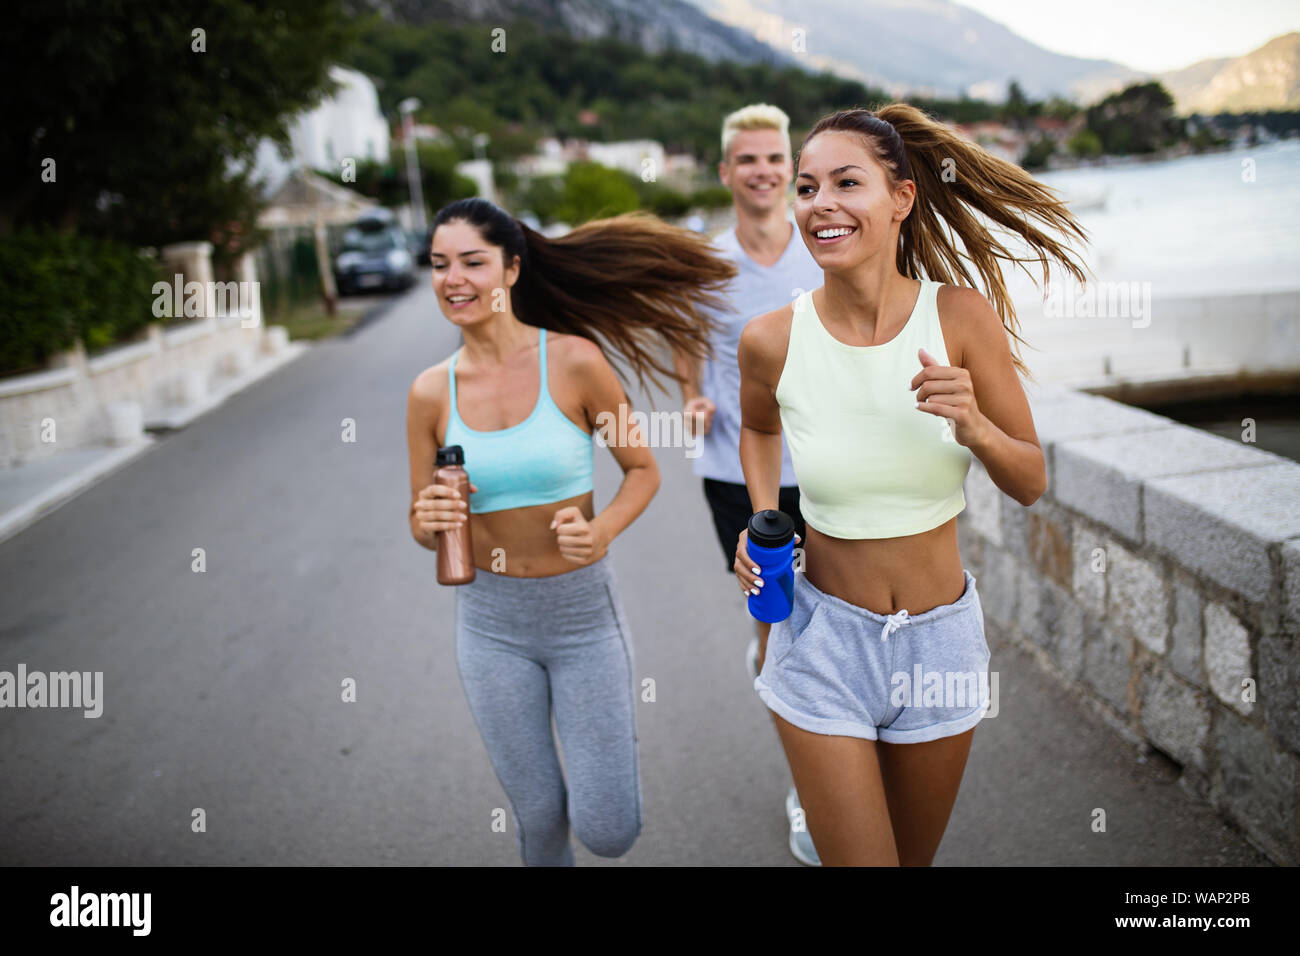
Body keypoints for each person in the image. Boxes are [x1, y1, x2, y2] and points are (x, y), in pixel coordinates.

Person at [735, 105, 1088, 866]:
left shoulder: (959, 317)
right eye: (806, 187)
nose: (819, 202)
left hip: (941, 644)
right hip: (821, 640)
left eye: (845, 182)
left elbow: (1030, 480)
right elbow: (759, 428)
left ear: (900, 199)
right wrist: (764, 520)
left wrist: (977, 427)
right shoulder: (770, 340)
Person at [407, 198, 735, 866]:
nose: (453, 278)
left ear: (512, 268)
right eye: (440, 265)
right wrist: (426, 519)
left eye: (472, 261)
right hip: (490, 623)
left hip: (583, 618)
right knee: (537, 816)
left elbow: (642, 470)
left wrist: (603, 529)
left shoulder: (576, 363)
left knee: (609, 829)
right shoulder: (429, 393)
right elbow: (421, 518)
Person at [671, 103, 826, 865]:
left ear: (789, 167)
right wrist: (691, 396)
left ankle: (776, 663)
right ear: (726, 171)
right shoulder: (708, 261)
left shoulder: (825, 245)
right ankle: (811, 794)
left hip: (827, 475)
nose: (764, 172)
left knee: (819, 631)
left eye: (775, 159)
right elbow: (686, 341)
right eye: (749, 160)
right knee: (785, 630)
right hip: (738, 475)